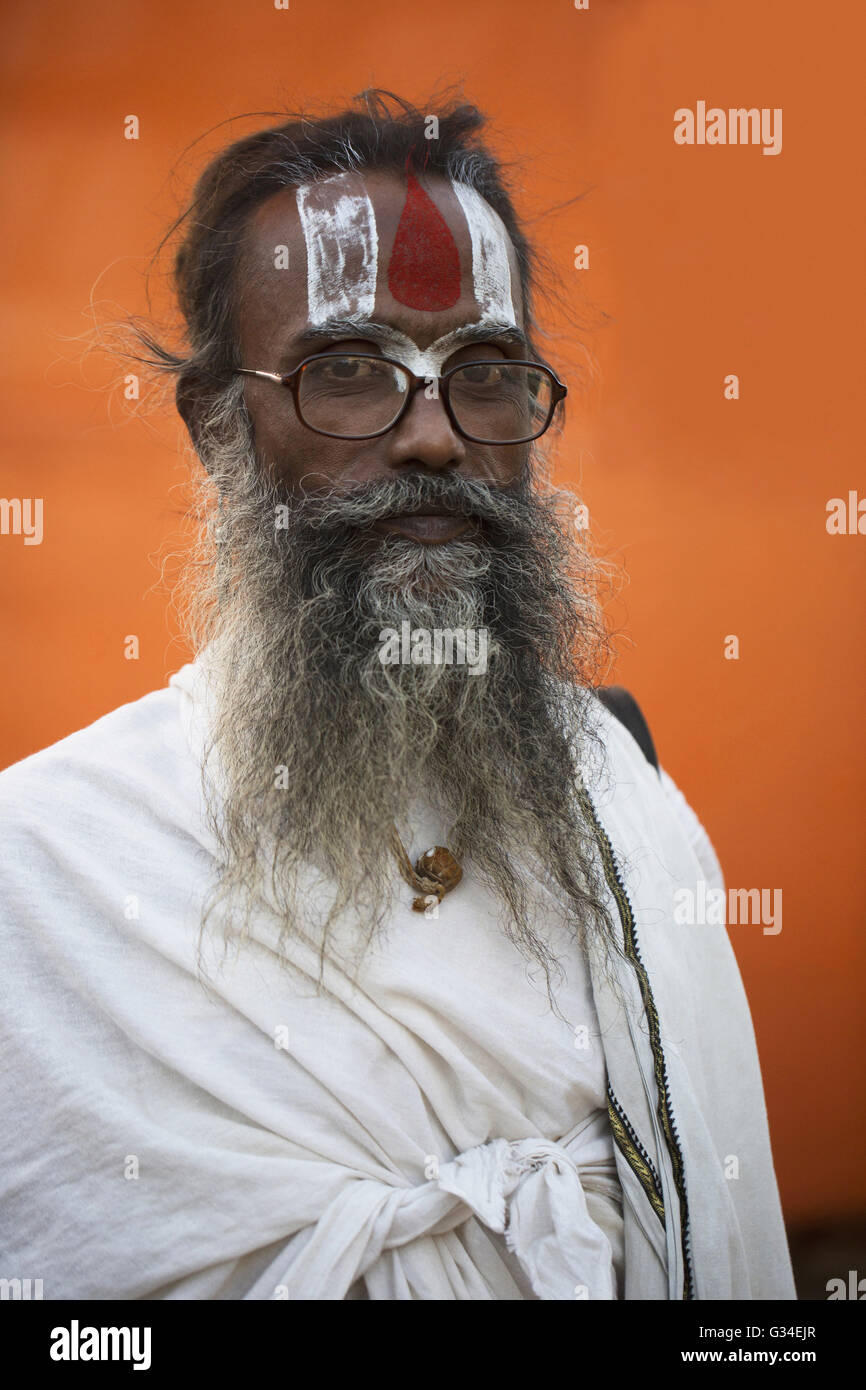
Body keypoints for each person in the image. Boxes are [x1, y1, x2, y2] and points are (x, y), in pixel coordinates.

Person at [0, 90, 795, 1301]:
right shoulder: (49, 866)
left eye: (483, 371)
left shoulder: (620, 800)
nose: (433, 437)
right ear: (219, 427)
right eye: (349, 371)